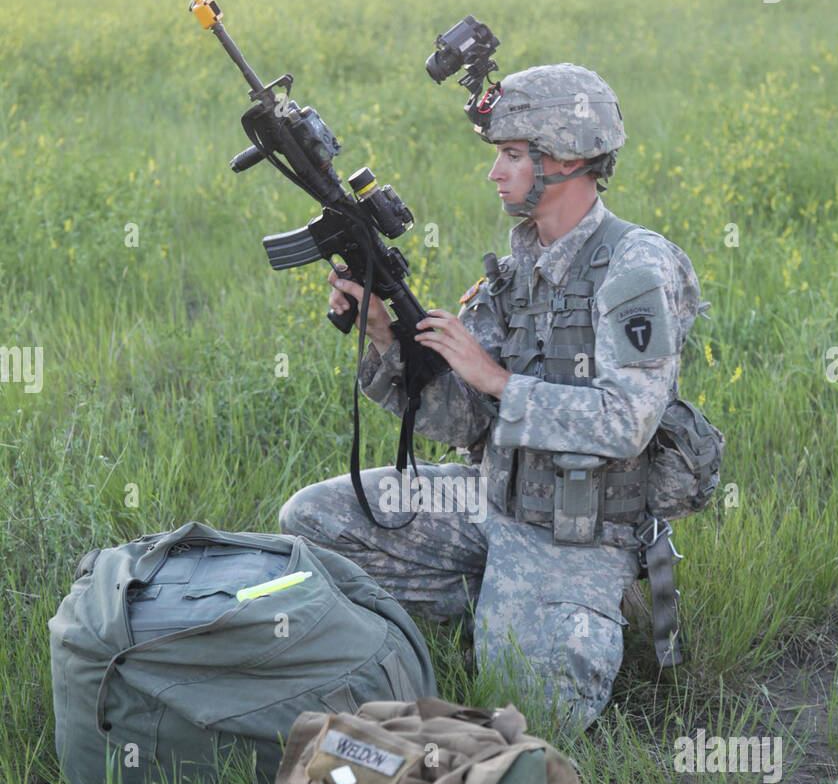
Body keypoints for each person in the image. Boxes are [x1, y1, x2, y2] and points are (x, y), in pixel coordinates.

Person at [280, 63, 703, 731]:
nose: (495, 173)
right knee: (313, 520)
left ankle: (582, 599)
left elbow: (627, 423)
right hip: (491, 499)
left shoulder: (635, 269)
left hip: (579, 531)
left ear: (564, 158)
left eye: (510, 155)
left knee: (527, 717)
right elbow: (460, 420)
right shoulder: (511, 276)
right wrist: (388, 341)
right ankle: (499, 594)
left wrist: (500, 380)